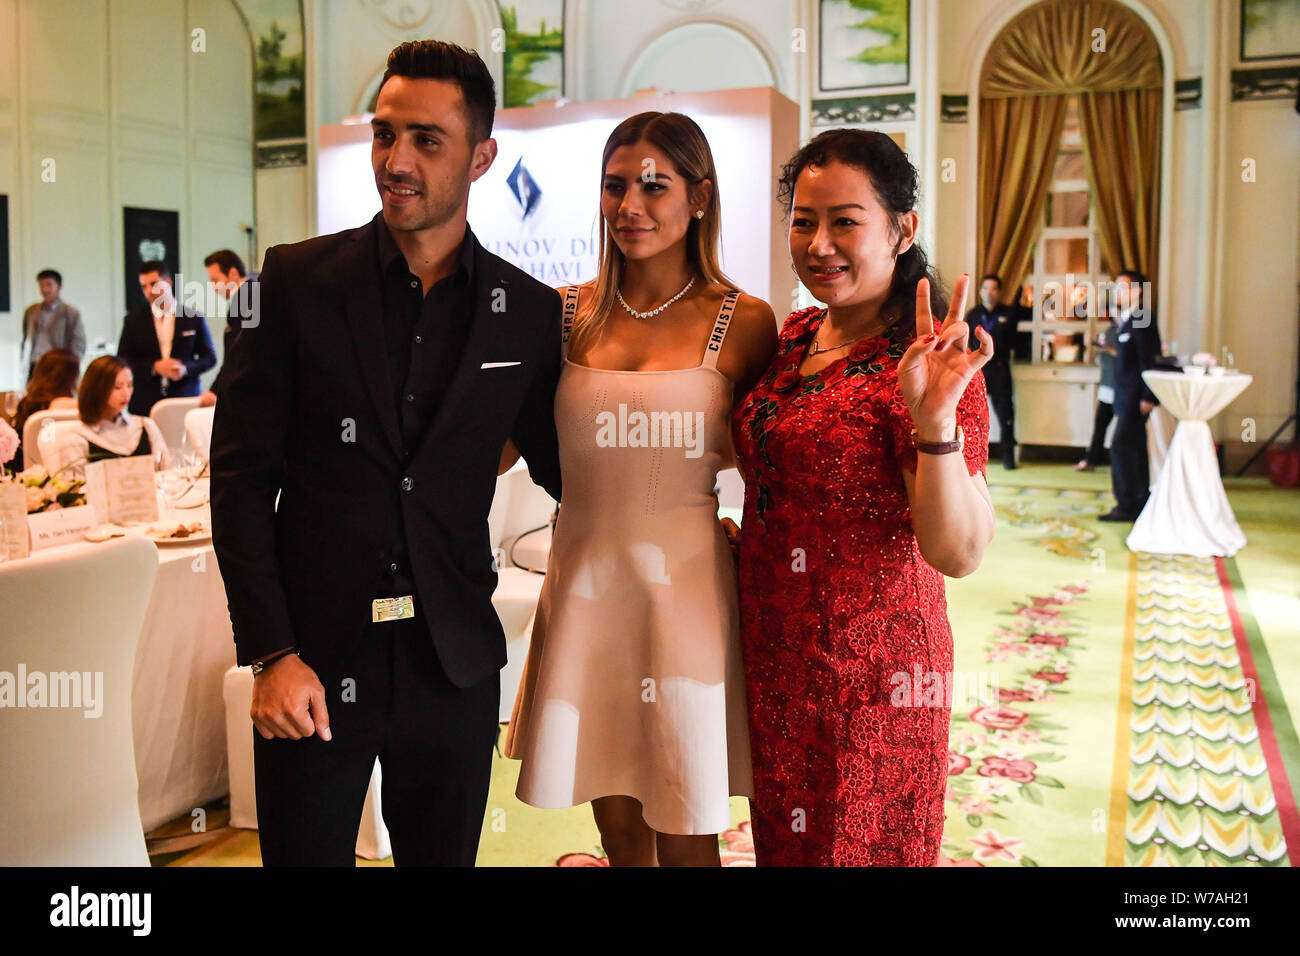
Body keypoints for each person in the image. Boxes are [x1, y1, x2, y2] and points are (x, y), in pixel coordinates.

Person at [210, 40, 563, 867]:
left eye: (426, 140)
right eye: (383, 134)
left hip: (454, 666)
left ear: (481, 158)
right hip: (312, 663)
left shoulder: (526, 313)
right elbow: (238, 481)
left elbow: (566, 468)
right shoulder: (288, 285)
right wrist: (272, 652)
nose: (395, 161)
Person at [504, 112, 776, 866]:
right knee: (618, 832)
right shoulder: (564, 315)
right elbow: (492, 449)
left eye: (655, 186)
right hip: (586, 591)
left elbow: (775, 469)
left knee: (688, 827)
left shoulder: (745, 321)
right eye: (615, 185)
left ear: (699, 197)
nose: (630, 205)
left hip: (686, 598)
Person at [732, 129, 994, 866]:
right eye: (804, 220)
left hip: (873, 679)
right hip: (776, 660)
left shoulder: (932, 364)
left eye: (845, 221)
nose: (819, 244)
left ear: (902, 228)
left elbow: (958, 550)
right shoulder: (793, 336)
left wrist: (935, 423)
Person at [1099, 269, 1161, 521]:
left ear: (1138, 291)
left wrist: (1149, 396)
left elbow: (1149, 360)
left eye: (1123, 287)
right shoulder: (1126, 318)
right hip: (1124, 394)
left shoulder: (1143, 318)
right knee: (1134, 448)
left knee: (1120, 447)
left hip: (1137, 397)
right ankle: (1139, 502)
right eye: (1116, 287)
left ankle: (1126, 505)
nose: (1118, 292)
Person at [117, 260, 217, 416]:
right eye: (144, 286)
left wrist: (185, 369)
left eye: (154, 284)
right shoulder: (133, 320)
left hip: (184, 397)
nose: (149, 291)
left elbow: (210, 358)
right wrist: (154, 367)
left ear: (168, 282)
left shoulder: (193, 317)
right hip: (145, 401)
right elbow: (123, 359)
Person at [49, 355, 165, 475]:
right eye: (117, 387)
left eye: (129, 385)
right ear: (97, 389)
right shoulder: (78, 439)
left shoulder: (145, 426)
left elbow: (167, 473)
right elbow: (75, 490)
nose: (126, 393)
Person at [965, 273, 1017, 469]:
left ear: (999, 292)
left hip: (1000, 370)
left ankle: (1009, 458)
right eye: (986, 288)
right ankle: (972, 456)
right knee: (973, 414)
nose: (990, 292)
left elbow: (1012, 342)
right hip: (978, 371)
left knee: (1006, 415)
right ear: (980, 291)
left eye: (994, 288)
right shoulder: (973, 315)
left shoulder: (1008, 314)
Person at [200, 249, 258, 406]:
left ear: (233, 273)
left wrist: (215, 390)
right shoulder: (253, 293)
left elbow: (237, 354)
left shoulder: (245, 300)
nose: (213, 287)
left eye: (215, 280)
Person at [9, 348, 79, 471]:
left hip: (23, 469)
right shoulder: (71, 406)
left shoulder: (27, 403)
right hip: (57, 471)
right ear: (72, 377)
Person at [20, 269, 86, 380]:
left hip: (58, 365)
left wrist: (70, 366)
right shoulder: (31, 311)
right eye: (41, 285)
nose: (44, 289)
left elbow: (78, 343)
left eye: (49, 285)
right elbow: (25, 339)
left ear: (59, 287)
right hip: (35, 364)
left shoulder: (70, 312)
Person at [1076, 315, 1119, 471]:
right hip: (1107, 384)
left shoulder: (1132, 329)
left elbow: (1127, 356)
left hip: (1121, 387)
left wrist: (1110, 350)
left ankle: (1119, 462)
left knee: (1123, 430)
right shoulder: (1111, 330)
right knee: (1100, 425)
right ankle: (1093, 458)